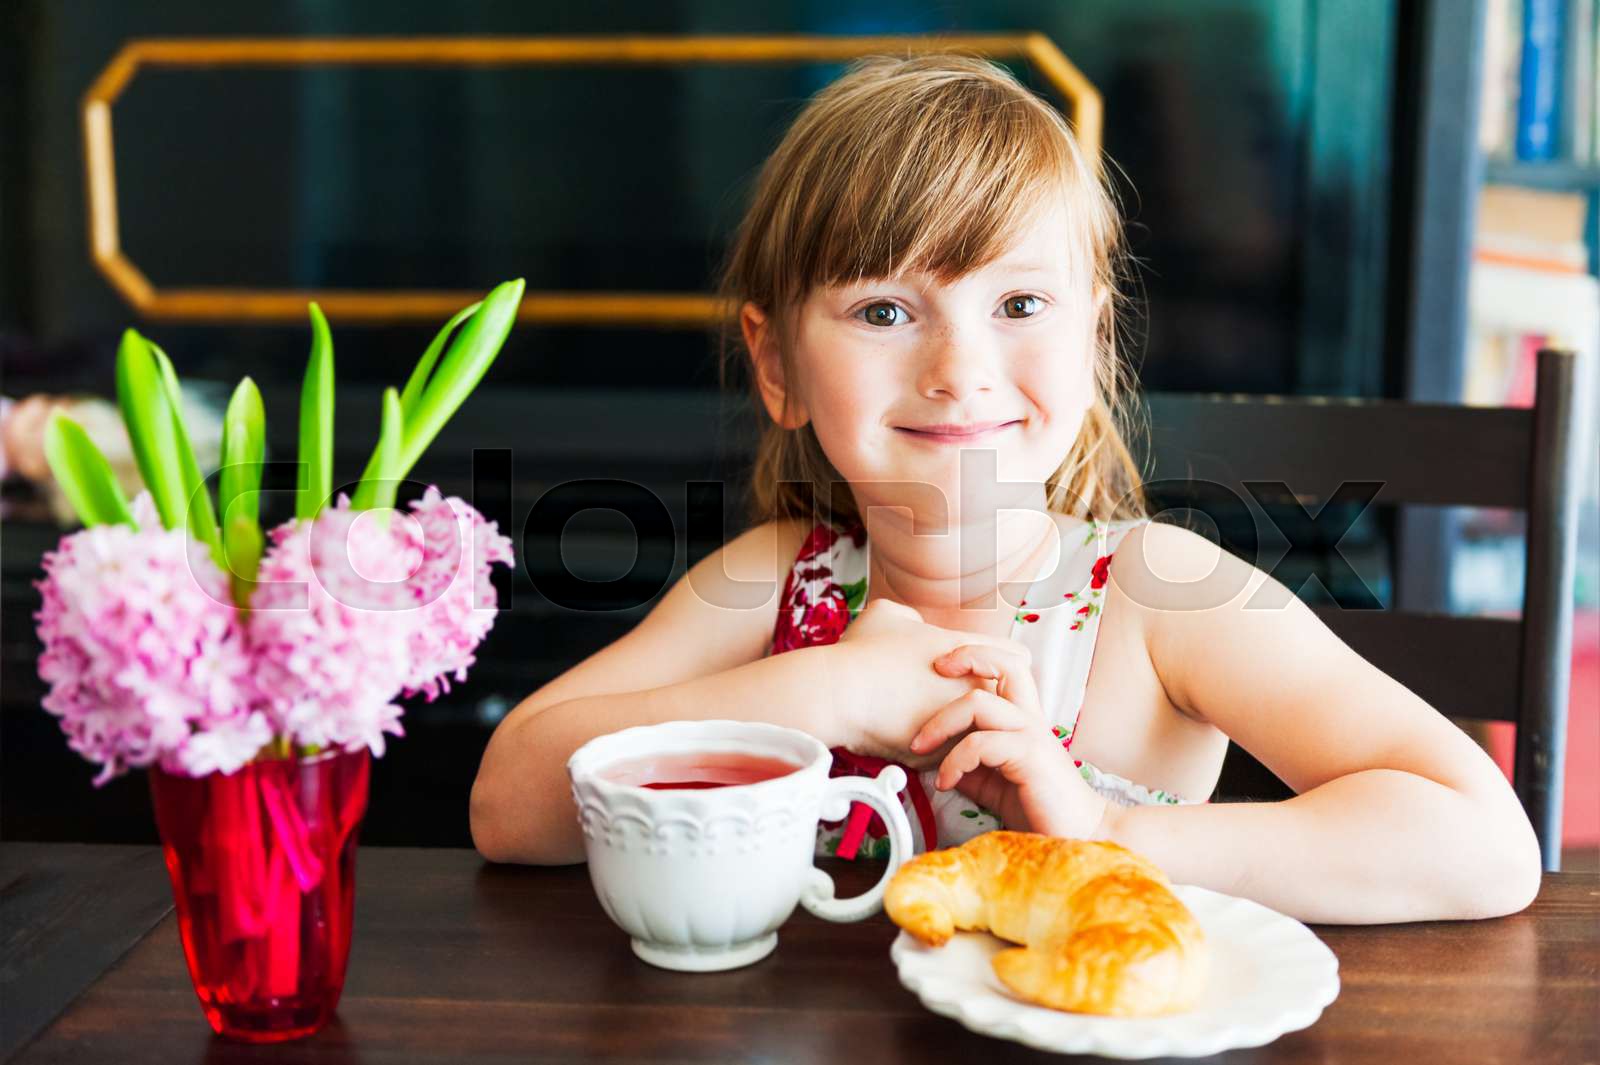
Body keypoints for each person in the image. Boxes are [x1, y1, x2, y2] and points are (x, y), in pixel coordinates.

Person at [471, 55, 1541, 923]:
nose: (960, 368)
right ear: (776, 365)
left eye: (1020, 303)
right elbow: (508, 805)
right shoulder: (775, 583)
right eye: (884, 311)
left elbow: (1484, 845)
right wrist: (823, 693)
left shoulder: (1156, 598)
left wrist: (1106, 835)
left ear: (1094, 336)